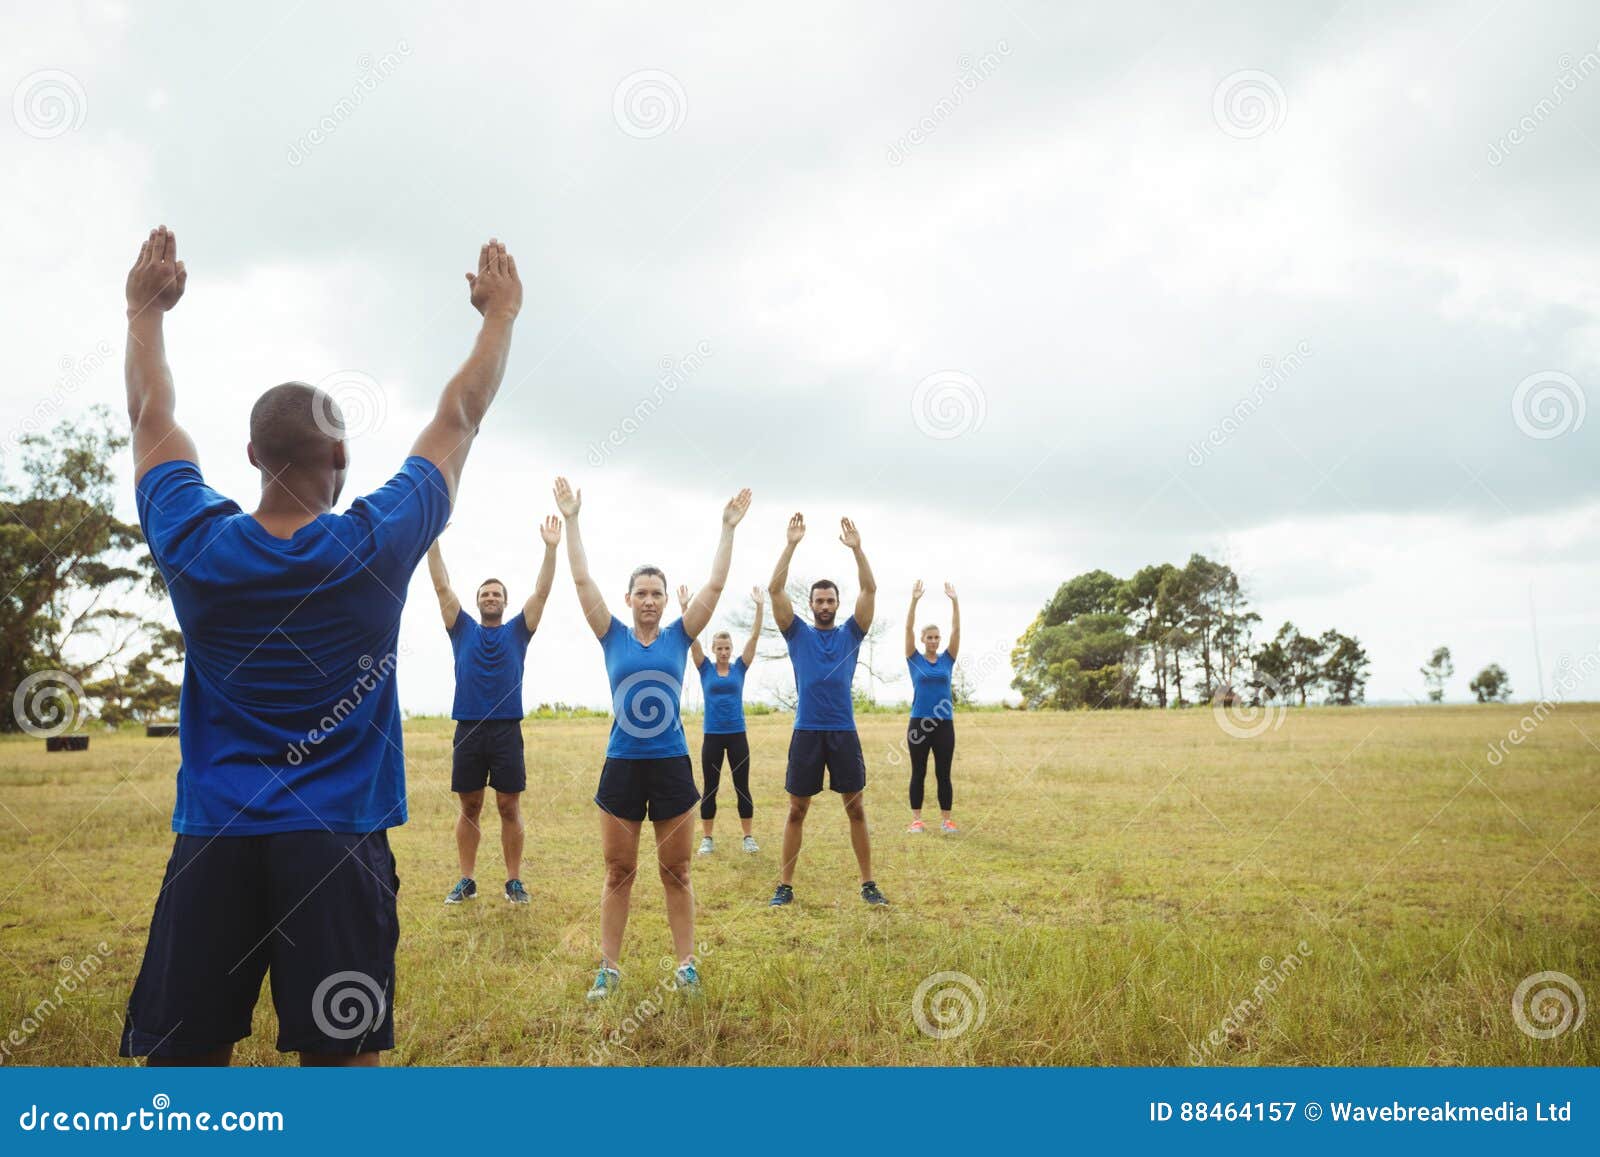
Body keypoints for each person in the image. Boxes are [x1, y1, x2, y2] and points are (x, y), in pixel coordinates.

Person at [119, 228, 523, 1065]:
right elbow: (460, 416)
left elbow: (150, 415)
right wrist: (500, 315)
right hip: (336, 846)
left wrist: (144, 309)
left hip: (214, 839)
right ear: (340, 455)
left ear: (252, 458)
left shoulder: (195, 540)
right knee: (342, 1068)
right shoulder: (374, 544)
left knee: (182, 1065)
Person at [553, 476, 751, 1002]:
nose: (647, 599)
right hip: (621, 765)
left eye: (655, 593)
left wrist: (727, 529)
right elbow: (580, 581)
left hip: (670, 766)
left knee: (677, 870)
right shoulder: (610, 633)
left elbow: (714, 586)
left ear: (665, 601)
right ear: (628, 598)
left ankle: (686, 966)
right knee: (619, 870)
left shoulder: (680, 635)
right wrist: (572, 520)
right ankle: (609, 970)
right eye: (640, 592)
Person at [428, 517, 559, 906]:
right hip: (468, 728)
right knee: (470, 806)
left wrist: (551, 548)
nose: (490, 597)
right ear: (477, 601)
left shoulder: (519, 629)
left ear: (504, 601)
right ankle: (466, 880)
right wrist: (432, 541)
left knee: (508, 806)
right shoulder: (461, 628)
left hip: (506, 731)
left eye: (497, 593)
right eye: (485, 593)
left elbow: (542, 591)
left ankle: (513, 881)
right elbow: (441, 586)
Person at [765, 514, 888, 908]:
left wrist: (858, 549)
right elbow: (774, 588)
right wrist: (791, 544)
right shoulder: (796, 631)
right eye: (818, 600)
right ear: (811, 604)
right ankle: (785, 886)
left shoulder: (852, 632)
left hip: (842, 731)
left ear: (837, 604)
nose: (824, 605)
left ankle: (868, 884)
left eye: (830, 600)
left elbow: (870, 588)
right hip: (807, 732)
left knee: (855, 807)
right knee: (797, 809)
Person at [678, 585, 764, 856]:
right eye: (720, 648)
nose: (724, 652)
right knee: (710, 788)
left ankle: (748, 837)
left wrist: (760, 607)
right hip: (713, 735)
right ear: (714, 650)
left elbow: (754, 636)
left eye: (727, 648)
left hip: (737, 734)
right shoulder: (705, 668)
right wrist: (684, 608)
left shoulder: (740, 667)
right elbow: (691, 636)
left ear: (731, 649)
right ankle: (707, 838)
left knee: (742, 786)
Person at [905, 580, 961, 834]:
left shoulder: (947, 660)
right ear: (922, 639)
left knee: (943, 773)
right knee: (918, 772)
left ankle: (946, 820)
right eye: (930, 637)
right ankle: (916, 820)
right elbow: (907, 628)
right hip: (919, 722)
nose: (934, 640)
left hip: (944, 723)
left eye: (937, 637)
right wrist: (914, 600)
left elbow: (957, 631)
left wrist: (955, 602)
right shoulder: (914, 659)